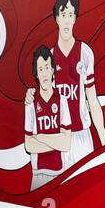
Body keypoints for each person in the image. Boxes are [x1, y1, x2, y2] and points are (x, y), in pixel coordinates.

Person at [26, 0, 105, 172]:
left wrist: (103, 136)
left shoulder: (85, 53)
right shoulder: (49, 59)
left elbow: (92, 99)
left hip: (81, 136)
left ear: (75, 19)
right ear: (57, 18)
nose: (66, 20)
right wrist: (30, 95)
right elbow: (42, 98)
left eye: (71, 15)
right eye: (63, 14)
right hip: (58, 138)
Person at [24, 45, 72, 190]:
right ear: (36, 75)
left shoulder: (62, 100)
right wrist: (56, 140)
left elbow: (66, 143)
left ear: (52, 70)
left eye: (46, 68)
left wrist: (39, 136)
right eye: (40, 70)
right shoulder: (30, 103)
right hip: (38, 174)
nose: (44, 73)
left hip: (59, 173)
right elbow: (29, 145)